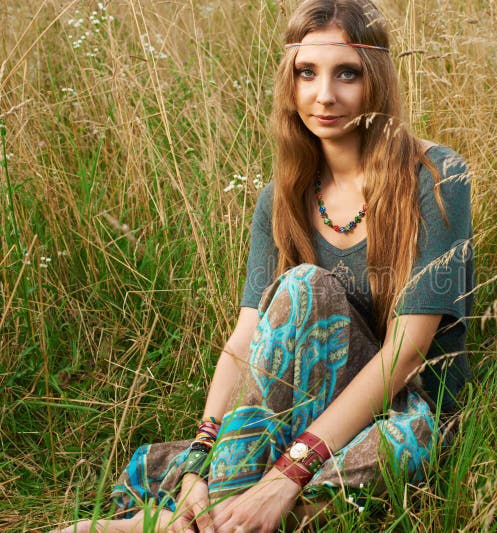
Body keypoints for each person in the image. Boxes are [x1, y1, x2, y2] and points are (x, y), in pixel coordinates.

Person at [51, 0, 473, 531]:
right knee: (303, 289)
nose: (324, 95)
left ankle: (169, 523)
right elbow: (246, 339)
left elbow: (406, 355)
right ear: (289, 83)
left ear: (379, 80)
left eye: (347, 73)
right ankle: (222, 508)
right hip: (302, 413)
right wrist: (199, 459)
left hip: (402, 409)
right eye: (306, 73)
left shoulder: (435, 176)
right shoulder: (283, 197)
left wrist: (287, 472)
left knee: (394, 444)